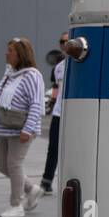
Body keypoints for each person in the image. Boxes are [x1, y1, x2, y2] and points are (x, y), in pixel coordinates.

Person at [0, 37, 46, 217]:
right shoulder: (10, 74)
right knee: (2, 165)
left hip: (21, 128)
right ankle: (31, 188)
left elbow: (36, 103)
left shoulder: (32, 75)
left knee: (14, 165)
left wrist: (27, 129)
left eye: (10, 50)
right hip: (6, 126)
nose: (6, 53)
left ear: (20, 54)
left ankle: (16, 205)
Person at [40, 33, 70, 194]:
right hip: (58, 113)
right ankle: (46, 181)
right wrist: (51, 103)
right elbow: (56, 89)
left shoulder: (81, 63)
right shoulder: (58, 67)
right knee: (53, 148)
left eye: (67, 41)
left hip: (75, 115)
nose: (64, 44)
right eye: (61, 42)